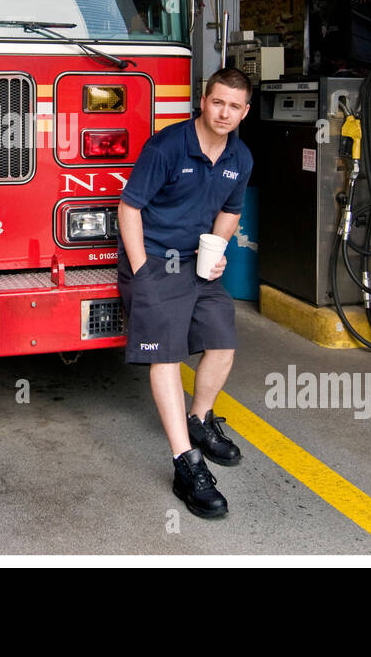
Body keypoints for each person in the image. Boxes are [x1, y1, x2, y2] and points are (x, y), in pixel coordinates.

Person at [117, 66, 253, 518]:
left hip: (198, 263)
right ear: (203, 101)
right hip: (154, 260)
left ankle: (199, 420)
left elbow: (231, 212)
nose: (224, 112)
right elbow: (129, 207)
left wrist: (218, 252)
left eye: (234, 106)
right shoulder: (167, 146)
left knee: (222, 343)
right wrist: (142, 273)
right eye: (218, 102)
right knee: (167, 355)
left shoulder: (241, 158)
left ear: (245, 112)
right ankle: (185, 464)